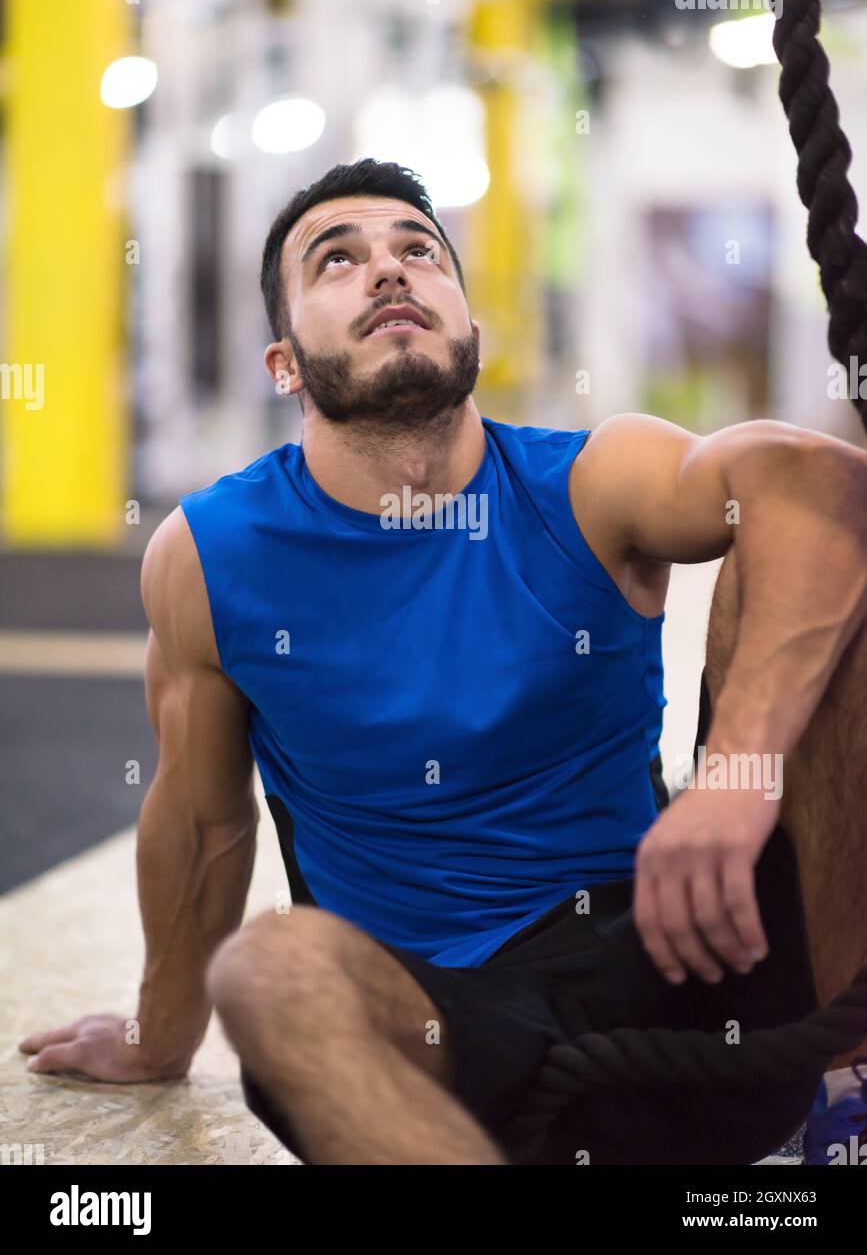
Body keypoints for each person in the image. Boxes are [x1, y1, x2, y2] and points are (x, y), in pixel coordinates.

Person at [20, 158, 867, 1166]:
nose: (388, 270)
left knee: (830, 594)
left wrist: (735, 774)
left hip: (692, 971)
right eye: (338, 259)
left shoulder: (590, 484)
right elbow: (202, 816)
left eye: (418, 251)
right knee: (269, 966)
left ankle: (843, 1089)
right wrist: (162, 1033)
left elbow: (819, 481)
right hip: (436, 1041)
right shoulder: (211, 556)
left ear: (471, 330)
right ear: (285, 363)